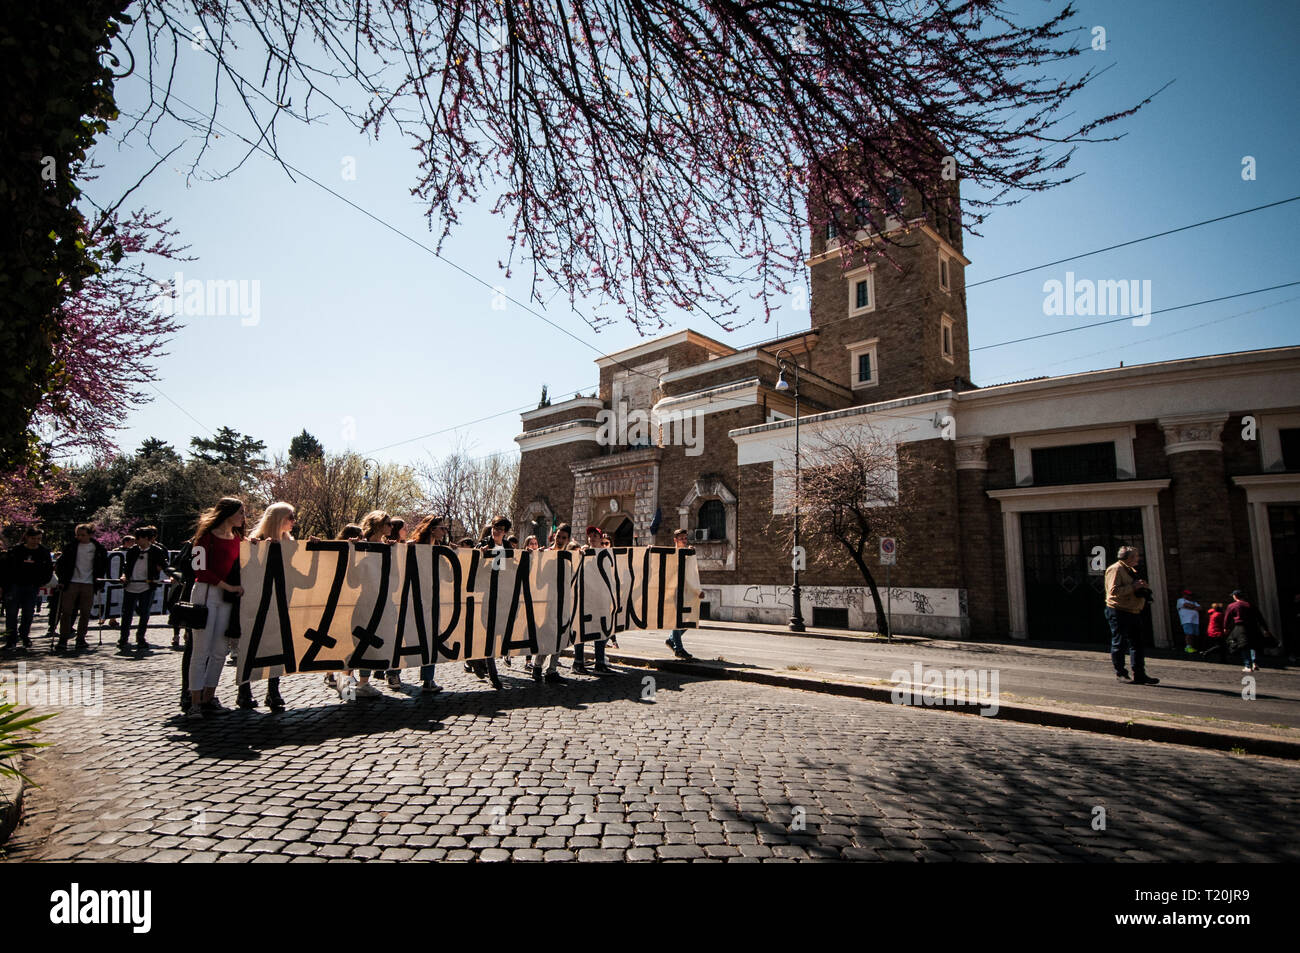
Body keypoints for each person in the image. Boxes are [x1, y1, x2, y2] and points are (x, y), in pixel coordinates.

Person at [188, 497, 245, 717]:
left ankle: (209, 697)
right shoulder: (204, 537)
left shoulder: (238, 538)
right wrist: (228, 586)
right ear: (228, 513)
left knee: (220, 650)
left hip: (226, 598)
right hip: (205, 593)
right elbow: (199, 570)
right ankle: (195, 701)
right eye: (240, 512)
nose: (243, 517)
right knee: (201, 649)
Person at [236, 503, 295, 712]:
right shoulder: (255, 542)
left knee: (277, 644)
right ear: (279, 518)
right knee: (250, 643)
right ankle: (244, 690)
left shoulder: (291, 544)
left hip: (280, 603)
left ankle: (273, 691)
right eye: (291, 517)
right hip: (256, 602)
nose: (294, 521)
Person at [1103, 545, 1159, 685]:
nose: (1138, 558)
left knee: (1137, 644)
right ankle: (1121, 673)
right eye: (1136, 556)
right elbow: (1113, 591)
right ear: (1128, 558)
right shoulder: (1116, 569)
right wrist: (1134, 587)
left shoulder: (1130, 570)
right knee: (1119, 643)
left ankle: (1139, 674)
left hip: (1133, 611)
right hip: (1119, 610)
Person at [53, 523, 109, 653]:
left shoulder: (98, 549)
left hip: (89, 583)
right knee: (66, 612)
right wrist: (62, 580)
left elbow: (103, 566)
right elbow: (61, 564)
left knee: (85, 612)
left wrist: (99, 580)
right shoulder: (70, 547)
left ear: (90, 534)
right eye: (78, 535)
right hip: (71, 582)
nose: (80, 537)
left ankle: (81, 638)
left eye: (83, 535)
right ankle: (63, 639)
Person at [118, 526, 176, 650]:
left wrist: (172, 576)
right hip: (131, 586)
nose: (136, 541)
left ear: (145, 538)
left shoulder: (157, 551)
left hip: (147, 586)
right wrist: (124, 576)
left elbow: (165, 565)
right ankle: (123, 638)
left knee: (144, 613)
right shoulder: (133, 550)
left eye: (138, 538)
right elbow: (126, 567)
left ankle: (140, 638)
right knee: (127, 613)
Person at [410, 514, 447, 694]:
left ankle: (428, 679)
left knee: (431, 637)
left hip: (432, 597)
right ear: (432, 529)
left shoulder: (440, 548)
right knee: (408, 634)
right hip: (414, 597)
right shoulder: (414, 546)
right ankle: (393, 672)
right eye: (442, 528)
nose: (444, 531)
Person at [527, 524, 568, 685]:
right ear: (554, 536)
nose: (560, 540)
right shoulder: (546, 554)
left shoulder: (570, 554)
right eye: (558, 536)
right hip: (548, 601)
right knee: (548, 635)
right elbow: (540, 580)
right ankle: (538, 666)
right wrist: (536, 558)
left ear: (567, 539)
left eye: (564, 537)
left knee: (561, 635)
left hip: (564, 601)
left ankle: (552, 670)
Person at [573, 525, 616, 676]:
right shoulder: (583, 552)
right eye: (590, 536)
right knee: (581, 629)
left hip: (601, 597)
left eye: (595, 536)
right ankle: (578, 662)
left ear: (600, 539)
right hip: (584, 597)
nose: (592, 538)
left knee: (601, 630)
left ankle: (599, 662)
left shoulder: (607, 554)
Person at [4, 528, 54, 650]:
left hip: (32, 586)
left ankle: (25, 636)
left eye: (38, 539)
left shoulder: (43, 552)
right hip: (14, 585)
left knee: (28, 613)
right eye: (33, 538)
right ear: (26, 537)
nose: (35, 541)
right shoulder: (16, 551)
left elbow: (48, 569)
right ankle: (11, 640)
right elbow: (6, 568)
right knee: (11, 614)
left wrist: (41, 582)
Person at [664, 528, 697, 660]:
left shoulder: (687, 552)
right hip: (672, 590)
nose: (683, 540)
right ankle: (679, 649)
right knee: (676, 620)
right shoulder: (671, 553)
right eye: (681, 538)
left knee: (688, 619)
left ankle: (672, 640)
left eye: (685, 538)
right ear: (675, 540)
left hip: (685, 590)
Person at [1224, 589, 1272, 673]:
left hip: (1241, 626)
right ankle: (1254, 662)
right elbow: (1260, 618)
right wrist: (1265, 629)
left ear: (1235, 596)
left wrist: (1225, 627)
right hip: (1253, 626)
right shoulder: (1251, 605)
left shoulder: (1232, 605)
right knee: (1253, 644)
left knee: (1244, 645)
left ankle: (1247, 666)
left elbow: (1227, 618)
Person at [1175, 589, 1201, 655]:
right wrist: (1193, 607)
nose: (1189, 596)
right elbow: (1186, 605)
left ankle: (1193, 646)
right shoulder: (1180, 600)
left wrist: (1192, 607)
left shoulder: (1194, 602)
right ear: (1184, 595)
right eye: (1188, 595)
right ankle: (1188, 647)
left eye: (1190, 595)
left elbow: (1200, 608)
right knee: (1189, 633)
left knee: (1194, 634)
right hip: (1187, 620)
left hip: (1195, 621)